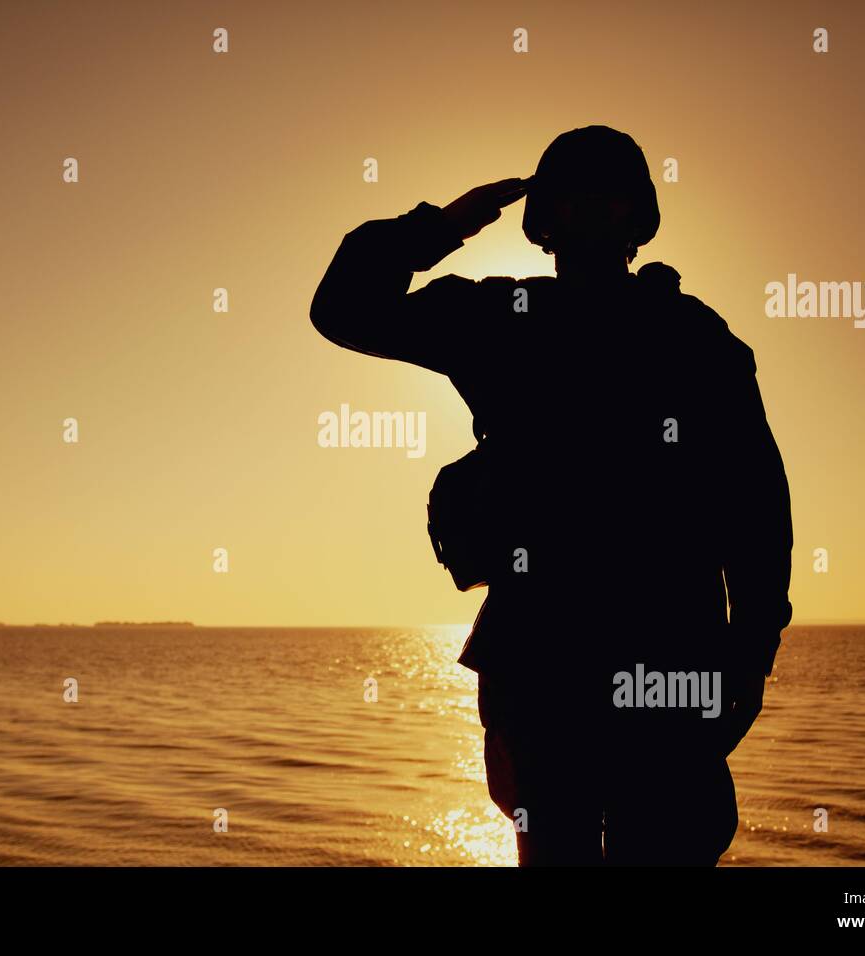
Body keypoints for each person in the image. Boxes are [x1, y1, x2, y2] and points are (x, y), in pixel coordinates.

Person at [310, 126, 793, 865]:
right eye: (574, 196)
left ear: (639, 217)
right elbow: (343, 311)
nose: (594, 211)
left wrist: (751, 653)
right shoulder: (497, 320)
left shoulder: (697, 340)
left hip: (665, 663)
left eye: (612, 195)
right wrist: (436, 228)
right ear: (544, 218)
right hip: (542, 671)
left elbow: (755, 507)